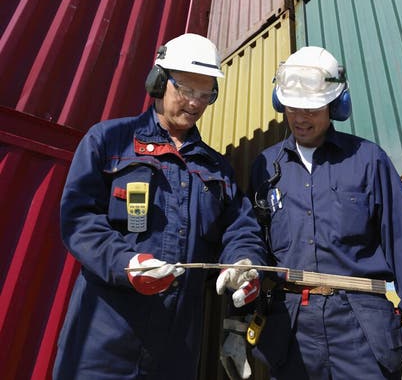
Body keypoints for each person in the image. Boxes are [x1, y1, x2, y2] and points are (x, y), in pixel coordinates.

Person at [53, 33, 267, 380]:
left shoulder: (217, 170)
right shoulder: (109, 142)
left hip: (176, 353)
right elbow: (79, 219)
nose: (196, 103)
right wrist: (125, 263)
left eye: (206, 93)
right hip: (103, 344)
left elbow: (240, 229)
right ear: (158, 82)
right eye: (185, 89)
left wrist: (244, 263)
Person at [244, 46, 402, 380]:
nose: (300, 117)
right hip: (291, 331)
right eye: (292, 106)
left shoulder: (368, 160)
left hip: (362, 329)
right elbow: (249, 243)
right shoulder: (265, 167)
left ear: (336, 105)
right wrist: (236, 321)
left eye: (312, 108)